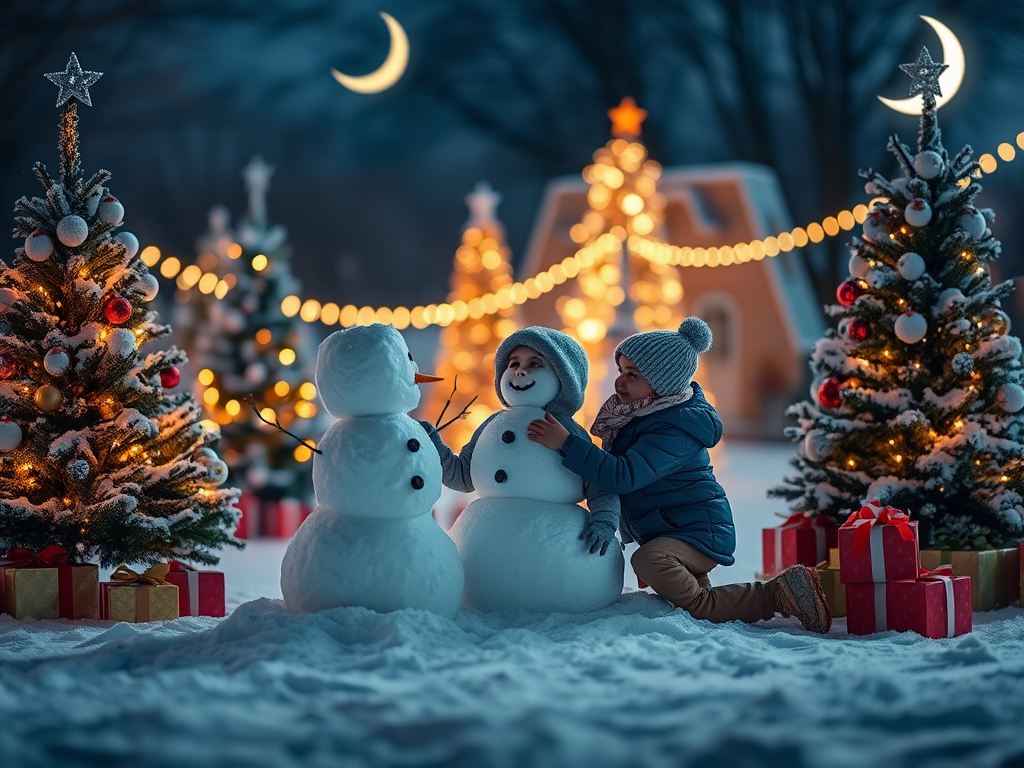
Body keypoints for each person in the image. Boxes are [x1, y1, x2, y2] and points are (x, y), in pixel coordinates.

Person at [526, 318, 831, 633]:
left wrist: (567, 444)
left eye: (633, 374)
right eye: (621, 371)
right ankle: (757, 603)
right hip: (676, 527)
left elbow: (623, 475)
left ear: (662, 383)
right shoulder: (643, 417)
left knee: (653, 565)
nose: (621, 381)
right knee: (702, 607)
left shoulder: (672, 429)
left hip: (696, 531)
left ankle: (778, 594)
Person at [421, 326, 620, 556]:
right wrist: (432, 446)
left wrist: (604, 521)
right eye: (513, 363)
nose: (520, 371)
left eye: (534, 364)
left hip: (554, 547)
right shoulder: (492, 425)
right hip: (487, 546)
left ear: (563, 376)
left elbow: (600, 481)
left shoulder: (565, 431)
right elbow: (463, 476)